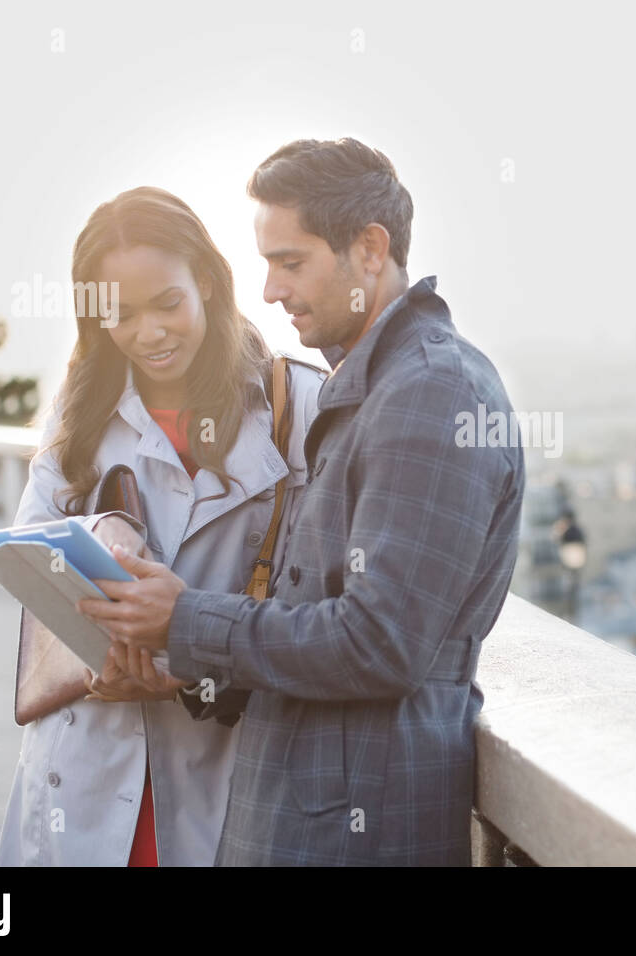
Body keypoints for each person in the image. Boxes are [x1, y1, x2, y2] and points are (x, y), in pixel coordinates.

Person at [80, 138, 527, 865]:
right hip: (304, 817)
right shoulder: (370, 388)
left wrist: (186, 617)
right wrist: (188, 668)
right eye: (266, 265)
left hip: (355, 828)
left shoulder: (431, 392)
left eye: (291, 263)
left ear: (370, 250)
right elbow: (311, 618)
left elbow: (380, 644)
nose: (269, 291)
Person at [0, 186, 325, 866]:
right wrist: (102, 662)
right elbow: (31, 558)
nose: (148, 333)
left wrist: (185, 658)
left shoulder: (299, 408)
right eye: (120, 313)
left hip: (220, 752)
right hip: (88, 748)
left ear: (206, 279)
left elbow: (318, 601)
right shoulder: (79, 409)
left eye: (167, 304)